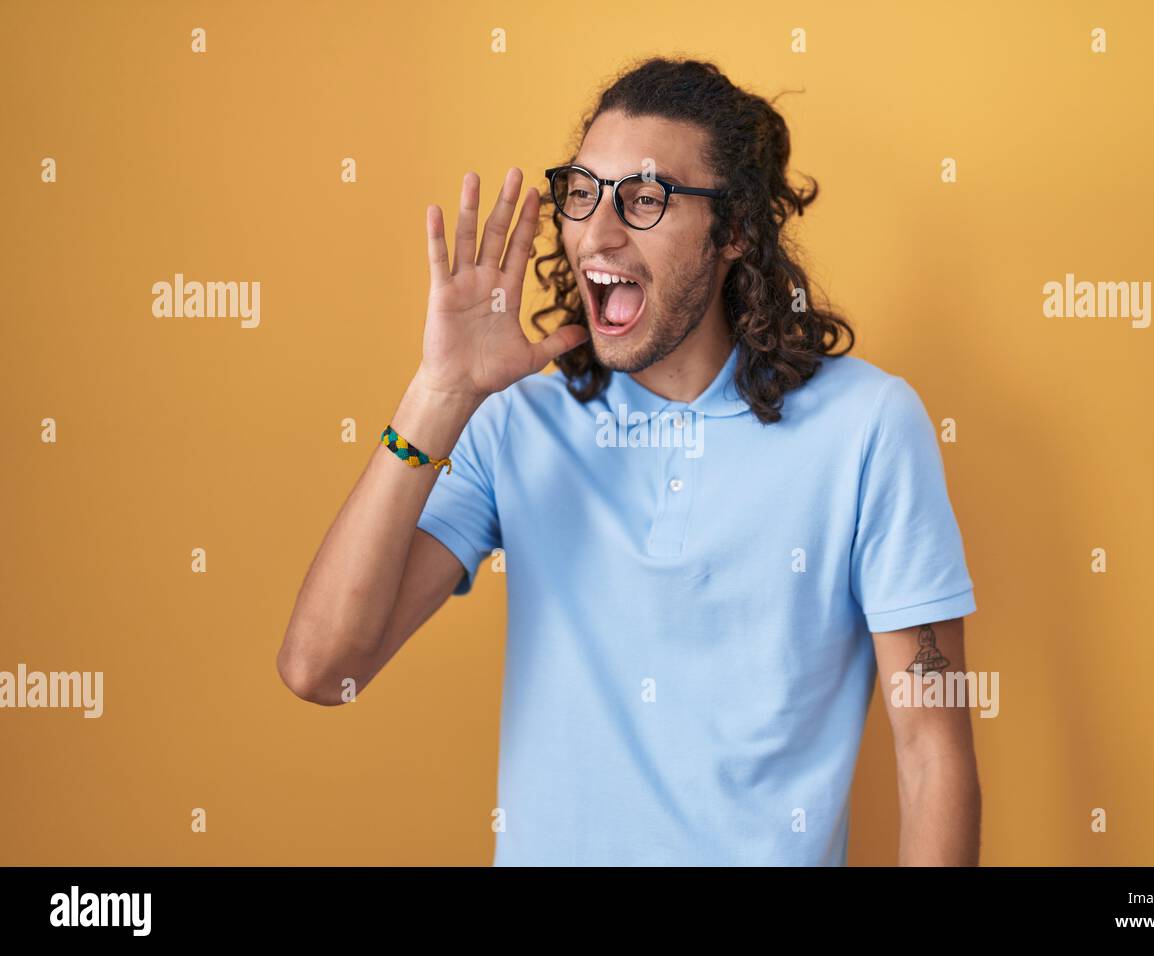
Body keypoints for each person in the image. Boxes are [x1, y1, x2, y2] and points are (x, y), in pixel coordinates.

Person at [278, 57, 980, 866]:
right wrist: (438, 394)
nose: (598, 234)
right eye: (583, 194)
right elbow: (321, 667)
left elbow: (932, 757)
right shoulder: (517, 423)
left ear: (734, 231)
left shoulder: (867, 427)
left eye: (645, 200)